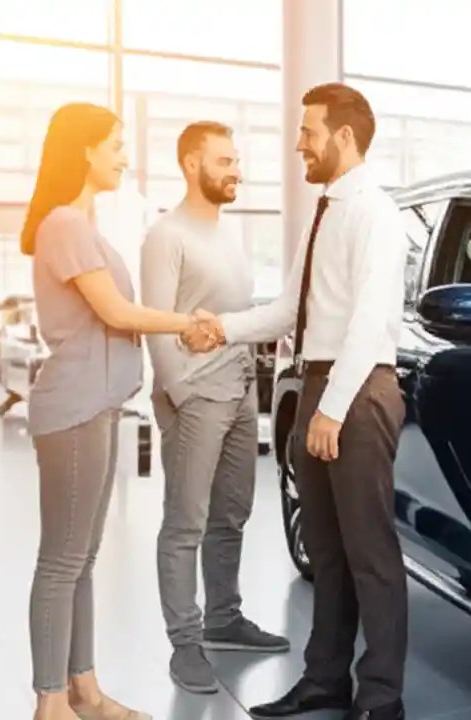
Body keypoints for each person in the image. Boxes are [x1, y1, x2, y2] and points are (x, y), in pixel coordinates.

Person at [187, 83, 409, 720]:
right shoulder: (327, 211)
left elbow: (369, 322)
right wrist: (220, 328)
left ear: (342, 137)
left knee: (371, 555)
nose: (298, 144)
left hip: (357, 389)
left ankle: (382, 702)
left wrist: (332, 409)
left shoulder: (375, 213)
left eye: (308, 132)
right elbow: (290, 310)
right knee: (326, 549)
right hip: (320, 382)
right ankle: (325, 682)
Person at [21, 102, 205, 720]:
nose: (125, 155)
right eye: (117, 144)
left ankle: (86, 692)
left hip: (95, 407)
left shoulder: (82, 224)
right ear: (85, 150)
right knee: (63, 560)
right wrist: (190, 323)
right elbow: (117, 314)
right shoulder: (66, 225)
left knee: (83, 557)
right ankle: (52, 704)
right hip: (73, 409)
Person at [140, 120, 290, 696]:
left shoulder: (228, 234)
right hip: (196, 398)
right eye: (224, 161)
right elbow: (154, 323)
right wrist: (179, 395)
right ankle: (186, 643)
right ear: (190, 164)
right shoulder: (167, 235)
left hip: (239, 392)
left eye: (236, 161)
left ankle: (224, 620)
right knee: (185, 523)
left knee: (232, 515)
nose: (236, 171)